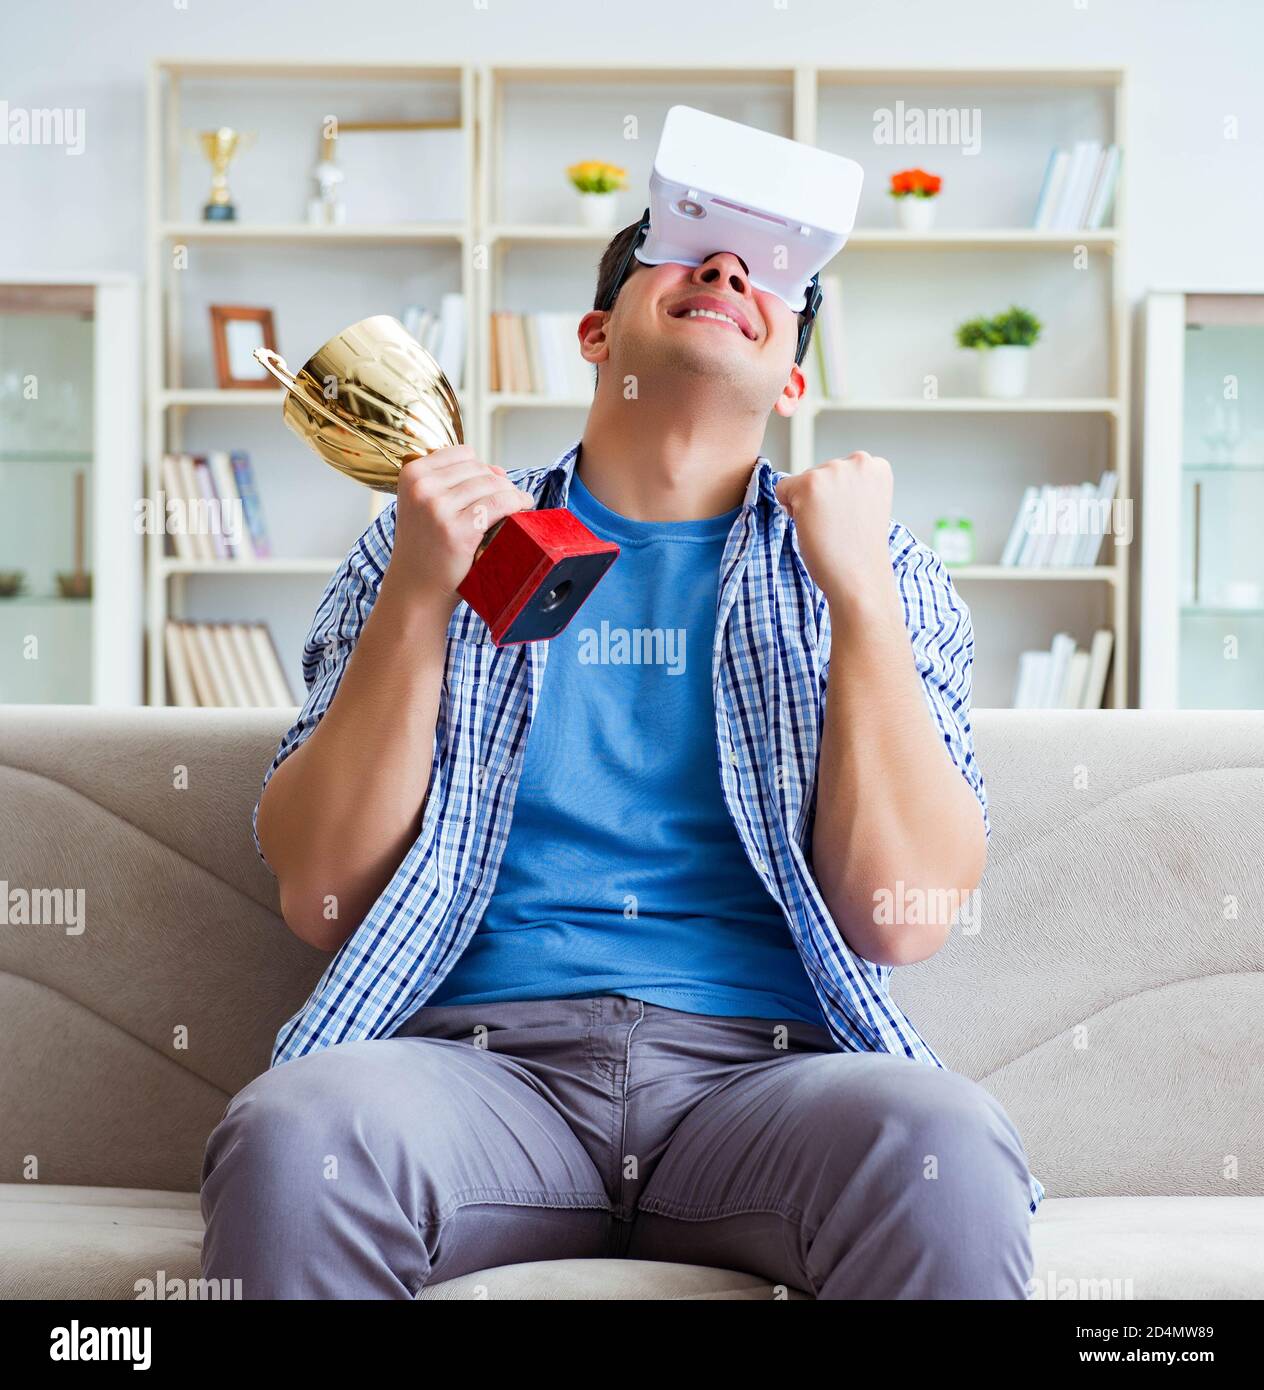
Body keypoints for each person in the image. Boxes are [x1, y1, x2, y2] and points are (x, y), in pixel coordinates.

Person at [200, 215, 1043, 1299]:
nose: (729, 268)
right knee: (293, 1134)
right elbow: (320, 897)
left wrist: (862, 597)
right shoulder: (426, 534)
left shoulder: (882, 572)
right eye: (688, 251)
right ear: (595, 333)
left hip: (768, 1078)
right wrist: (419, 588)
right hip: (473, 1071)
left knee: (947, 1145)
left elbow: (905, 913)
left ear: (791, 382)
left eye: (770, 275)